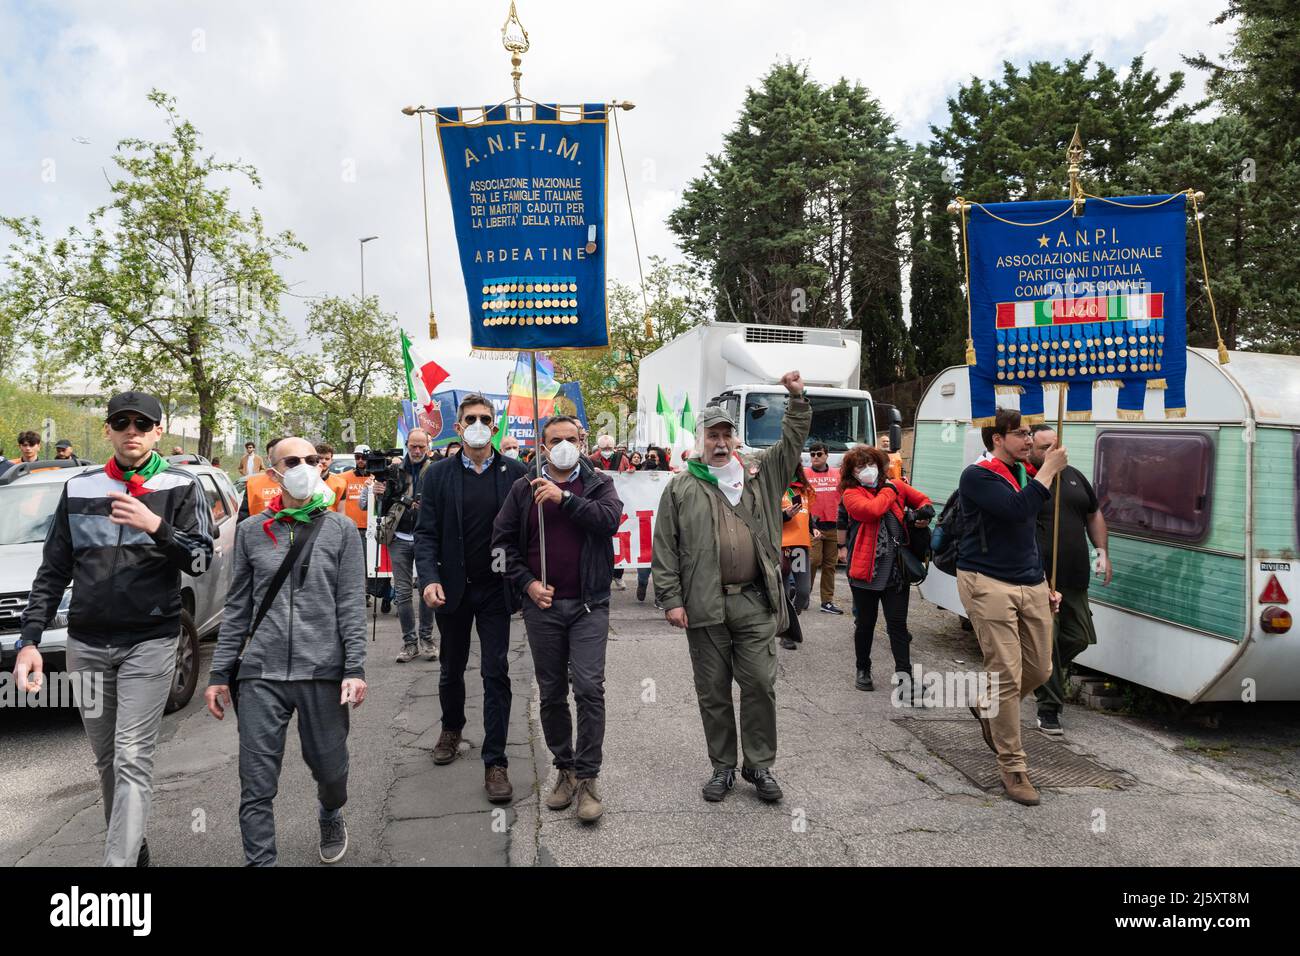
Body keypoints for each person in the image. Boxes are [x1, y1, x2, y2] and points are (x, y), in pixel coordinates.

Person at [15, 391, 214, 866]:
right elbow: (53, 570)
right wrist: (30, 641)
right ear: (108, 429)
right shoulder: (79, 487)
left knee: (131, 757)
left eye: (142, 424)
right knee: (108, 761)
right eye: (121, 422)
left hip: (150, 641)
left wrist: (156, 527)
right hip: (85, 644)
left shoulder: (182, 486)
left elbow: (203, 560)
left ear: (158, 432)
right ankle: (131, 844)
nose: (132, 431)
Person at [205, 436, 366, 866]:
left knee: (331, 772)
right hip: (261, 674)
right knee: (256, 783)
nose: (304, 466)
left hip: (323, 672)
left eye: (312, 460)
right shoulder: (252, 532)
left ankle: (330, 811)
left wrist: (355, 668)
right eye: (292, 460)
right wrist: (220, 675)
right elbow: (237, 608)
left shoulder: (341, 529)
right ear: (273, 472)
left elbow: (351, 603)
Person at [651, 371, 810, 804]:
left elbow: (792, 441)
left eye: (726, 434)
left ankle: (759, 766)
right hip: (704, 606)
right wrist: (670, 599)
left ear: (735, 439)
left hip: (755, 603)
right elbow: (664, 547)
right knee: (713, 692)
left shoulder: (762, 474)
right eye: (712, 434)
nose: (720, 442)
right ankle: (722, 767)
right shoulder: (681, 487)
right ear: (700, 438)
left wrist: (796, 399)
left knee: (759, 684)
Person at [492, 414, 623, 823]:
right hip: (543, 609)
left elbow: (609, 521)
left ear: (582, 442)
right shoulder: (521, 489)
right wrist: (528, 584)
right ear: (543, 446)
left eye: (572, 438)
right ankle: (563, 769)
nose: (564, 445)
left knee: (588, 688)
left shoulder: (600, 483)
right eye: (556, 439)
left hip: (589, 605)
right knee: (551, 693)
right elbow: (500, 548)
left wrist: (565, 499)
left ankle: (588, 778)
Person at [417, 396, 529, 802]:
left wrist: (524, 583)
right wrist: (428, 578)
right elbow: (427, 533)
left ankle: (495, 761)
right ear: (459, 427)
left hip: (498, 590)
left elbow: (526, 536)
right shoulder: (438, 475)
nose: (478, 424)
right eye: (471, 419)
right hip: (453, 588)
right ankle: (452, 727)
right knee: (451, 667)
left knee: (495, 671)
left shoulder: (516, 473)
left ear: (495, 425)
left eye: (485, 418)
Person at [957, 407, 1068, 807]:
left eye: (1028, 433)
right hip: (987, 581)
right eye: (1020, 433)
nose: (1028, 439)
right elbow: (1015, 511)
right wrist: (1047, 472)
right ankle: (1013, 766)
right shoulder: (978, 475)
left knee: (1040, 668)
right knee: (1006, 673)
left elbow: (1029, 531)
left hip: (1031, 581)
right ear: (997, 438)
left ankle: (987, 704)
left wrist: (1045, 582)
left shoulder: (1023, 473)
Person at [1028, 424, 1110, 736]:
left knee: (1079, 636)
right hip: (1041, 578)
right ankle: (1049, 709)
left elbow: (1094, 513)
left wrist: (1102, 550)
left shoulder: (1075, 475)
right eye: (1045, 447)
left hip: (1075, 576)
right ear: (1032, 450)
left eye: (1056, 445)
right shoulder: (1028, 479)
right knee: (1047, 643)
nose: (1053, 452)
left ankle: (1035, 668)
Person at [840, 445, 933, 693]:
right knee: (865, 624)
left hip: (896, 572)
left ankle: (905, 676)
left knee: (898, 626)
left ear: (880, 465)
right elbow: (873, 511)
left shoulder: (895, 486)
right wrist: (892, 489)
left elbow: (923, 499)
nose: (867, 470)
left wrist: (922, 514)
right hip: (864, 571)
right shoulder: (851, 494)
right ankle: (863, 669)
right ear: (852, 472)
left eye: (871, 464)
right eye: (860, 466)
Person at [370, 429, 436, 663]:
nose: (417, 451)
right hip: (399, 537)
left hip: (427, 538)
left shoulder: (436, 468)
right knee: (403, 592)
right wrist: (377, 493)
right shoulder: (392, 471)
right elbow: (379, 503)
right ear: (407, 445)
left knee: (428, 589)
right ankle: (410, 643)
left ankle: (427, 640)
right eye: (413, 446)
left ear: (428, 446)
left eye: (421, 446)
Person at [778, 465, 816, 647]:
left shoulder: (804, 490)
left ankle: (791, 620)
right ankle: (786, 632)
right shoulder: (774, 487)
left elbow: (807, 515)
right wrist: (785, 515)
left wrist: (813, 528)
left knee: (802, 591)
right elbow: (765, 516)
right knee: (784, 592)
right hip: (781, 546)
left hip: (800, 546)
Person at [804, 442, 844, 614]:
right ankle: (803, 595)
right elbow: (793, 493)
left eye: (819, 454)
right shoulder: (804, 474)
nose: (815, 457)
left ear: (827, 455)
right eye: (812, 454)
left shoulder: (837, 474)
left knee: (830, 565)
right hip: (814, 527)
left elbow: (844, 498)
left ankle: (826, 601)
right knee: (813, 561)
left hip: (834, 526)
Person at [238, 437, 285, 522]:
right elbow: (242, 521)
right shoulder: (253, 484)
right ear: (268, 458)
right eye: (273, 457)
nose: (278, 461)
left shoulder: (303, 483)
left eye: (283, 456)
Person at [315, 443, 348, 510]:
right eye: (320, 458)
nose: (323, 461)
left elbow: (341, 511)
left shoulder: (340, 483)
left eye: (327, 459)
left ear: (331, 460)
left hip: (331, 519)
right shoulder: (305, 481)